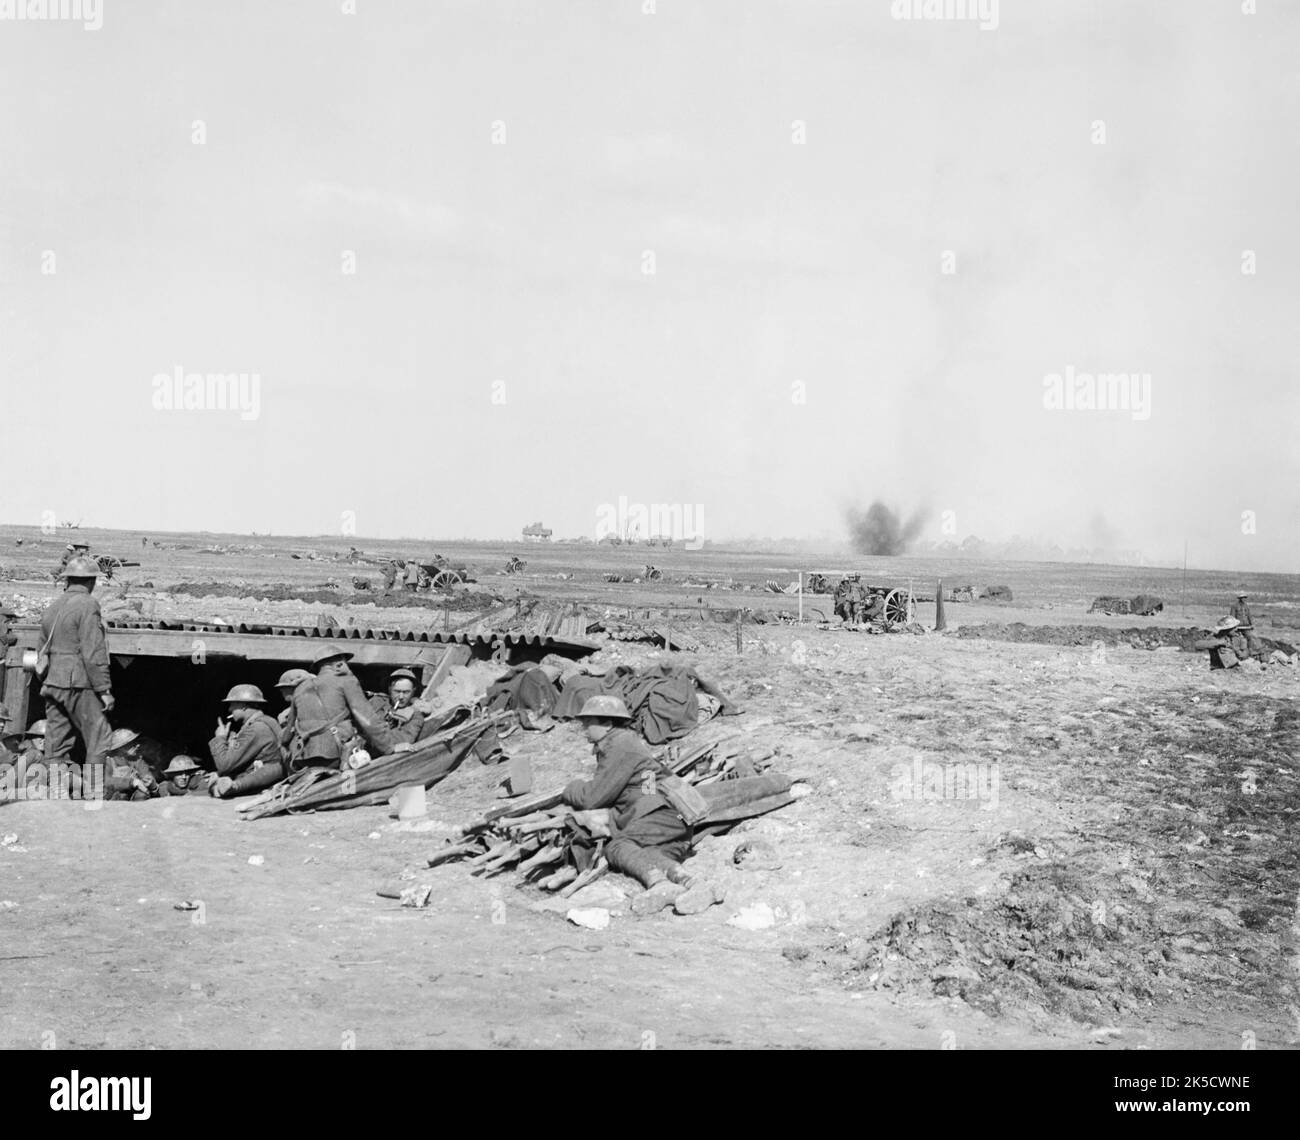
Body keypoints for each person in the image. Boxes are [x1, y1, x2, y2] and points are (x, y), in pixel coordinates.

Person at [561, 696, 722, 917]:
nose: (584, 729)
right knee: (652, 855)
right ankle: (693, 884)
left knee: (617, 847)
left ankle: (658, 884)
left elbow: (593, 798)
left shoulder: (620, 745)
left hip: (659, 814)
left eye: (588, 722)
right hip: (672, 818)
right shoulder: (624, 742)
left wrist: (571, 788)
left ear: (607, 724)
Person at [38, 555, 114, 769]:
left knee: (56, 744)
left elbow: (40, 649)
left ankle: (56, 794)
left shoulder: (53, 607)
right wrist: (104, 690)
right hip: (78, 683)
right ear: (92, 581)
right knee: (99, 738)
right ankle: (93, 797)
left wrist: (51, 679)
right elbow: (93, 652)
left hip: (52, 684)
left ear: (68, 579)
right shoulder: (89, 605)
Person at [209, 685, 284, 798]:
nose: (230, 709)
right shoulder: (267, 721)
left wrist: (220, 738)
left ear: (243, 706)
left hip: (258, 783)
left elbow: (224, 765)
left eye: (232, 705)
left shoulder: (256, 729)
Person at [368, 668, 424, 750]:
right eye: (397, 691)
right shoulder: (376, 702)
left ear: (413, 691)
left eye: (406, 692)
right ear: (389, 689)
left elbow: (403, 739)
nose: (401, 697)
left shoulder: (416, 716)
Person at [103, 728, 161, 801]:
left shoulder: (137, 760)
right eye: (132, 743)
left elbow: (147, 776)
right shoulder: (107, 760)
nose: (138, 745)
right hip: (109, 800)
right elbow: (105, 781)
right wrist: (133, 782)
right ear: (121, 747)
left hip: (130, 799)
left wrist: (152, 785)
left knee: (142, 794)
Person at [1229, 592, 1263, 659]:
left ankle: (1251, 651)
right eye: (1243, 597)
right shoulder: (1234, 606)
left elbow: (1249, 616)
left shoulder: (1246, 606)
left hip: (1246, 626)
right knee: (1237, 639)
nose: (1244, 599)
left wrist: (1252, 624)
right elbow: (1232, 617)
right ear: (1240, 598)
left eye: (1245, 597)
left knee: (1250, 637)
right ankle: (1237, 654)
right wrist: (1233, 627)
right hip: (1238, 627)